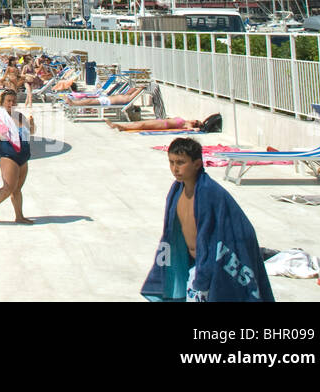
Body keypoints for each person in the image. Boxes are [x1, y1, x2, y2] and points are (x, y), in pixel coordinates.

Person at [141, 138, 275, 302]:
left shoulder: (209, 193)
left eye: (181, 162)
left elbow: (239, 231)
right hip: (193, 266)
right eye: (171, 162)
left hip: (213, 268)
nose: (175, 168)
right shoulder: (176, 190)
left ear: (197, 164)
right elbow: (171, 233)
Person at [0, 89, 35, 224]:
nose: (11, 103)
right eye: (8, 100)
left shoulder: (19, 116)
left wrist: (32, 124)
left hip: (23, 154)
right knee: (8, 187)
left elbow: (30, 132)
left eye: (13, 101)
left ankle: (19, 216)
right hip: (8, 154)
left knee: (17, 188)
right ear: (2, 102)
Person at [109, 117, 203, 132]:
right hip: (161, 121)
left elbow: (192, 129)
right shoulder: (184, 119)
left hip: (164, 125)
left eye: (196, 121)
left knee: (143, 126)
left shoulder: (188, 125)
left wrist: (196, 129)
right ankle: (121, 126)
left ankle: (122, 127)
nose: (194, 120)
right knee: (141, 123)